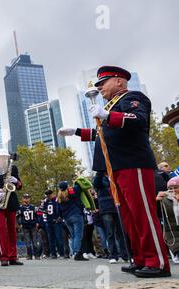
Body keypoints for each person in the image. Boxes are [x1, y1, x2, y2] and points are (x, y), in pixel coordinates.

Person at [58, 66, 170, 277]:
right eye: (98, 84)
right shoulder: (111, 106)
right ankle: (140, 258)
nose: (99, 87)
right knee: (128, 217)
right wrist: (76, 132)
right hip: (116, 166)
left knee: (142, 214)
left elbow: (137, 120)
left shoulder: (132, 97)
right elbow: (103, 134)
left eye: (104, 82)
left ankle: (157, 262)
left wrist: (107, 115)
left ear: (119, 81)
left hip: (133, 162)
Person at [0, 149, 24, 267]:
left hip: (11, 201)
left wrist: (16, 181)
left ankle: (13, 256)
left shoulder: (13, 168)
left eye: (5, 157)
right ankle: (4, 257)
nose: (4, 158)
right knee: (1, 229)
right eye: (1, 157)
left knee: (12, 229)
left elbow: (19, 186)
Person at [57, 181, 88, 261]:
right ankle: (77, 253)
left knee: (74, 236)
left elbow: (58, 211)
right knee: (78, 235)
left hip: (67, 219)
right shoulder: (72, 192)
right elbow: (80, 186)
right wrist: (77, 180)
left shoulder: (59, 197)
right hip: (76, 215)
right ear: (67, 186)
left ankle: (75, 253)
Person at [156, 176, 179, 263]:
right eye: (170, 188)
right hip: (172, 231)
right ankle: (175, 253)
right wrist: (156, 201)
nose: (173, 190)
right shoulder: (164, 199)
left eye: (176, 187)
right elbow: (156, 212)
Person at [41, 190, 65, 259]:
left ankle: (62, 254)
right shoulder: (45, 202)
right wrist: (44, 211)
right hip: (49, 222)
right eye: (47, 195)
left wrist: (60, 217)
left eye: (50, 194)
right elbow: (41, 211)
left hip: (56, 222)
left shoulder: (57, 200)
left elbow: (61, 209)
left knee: (58, 238)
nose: (48, 196)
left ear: (53, 194)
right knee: (51, 239)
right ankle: (53, 254)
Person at [17, 194, 38, 260]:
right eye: (25, 198)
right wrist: (20, 223)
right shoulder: (21, 208)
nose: (26, 199)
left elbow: (37, 215)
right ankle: (29, 255)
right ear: (23, 199)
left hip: (33, 226)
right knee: (27, 242)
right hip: (25, 226)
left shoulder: (33, 207)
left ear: (30, 199)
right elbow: (17, 216)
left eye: (28, 198)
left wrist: (37, 222)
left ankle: (36, 255)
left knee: (34, 242)